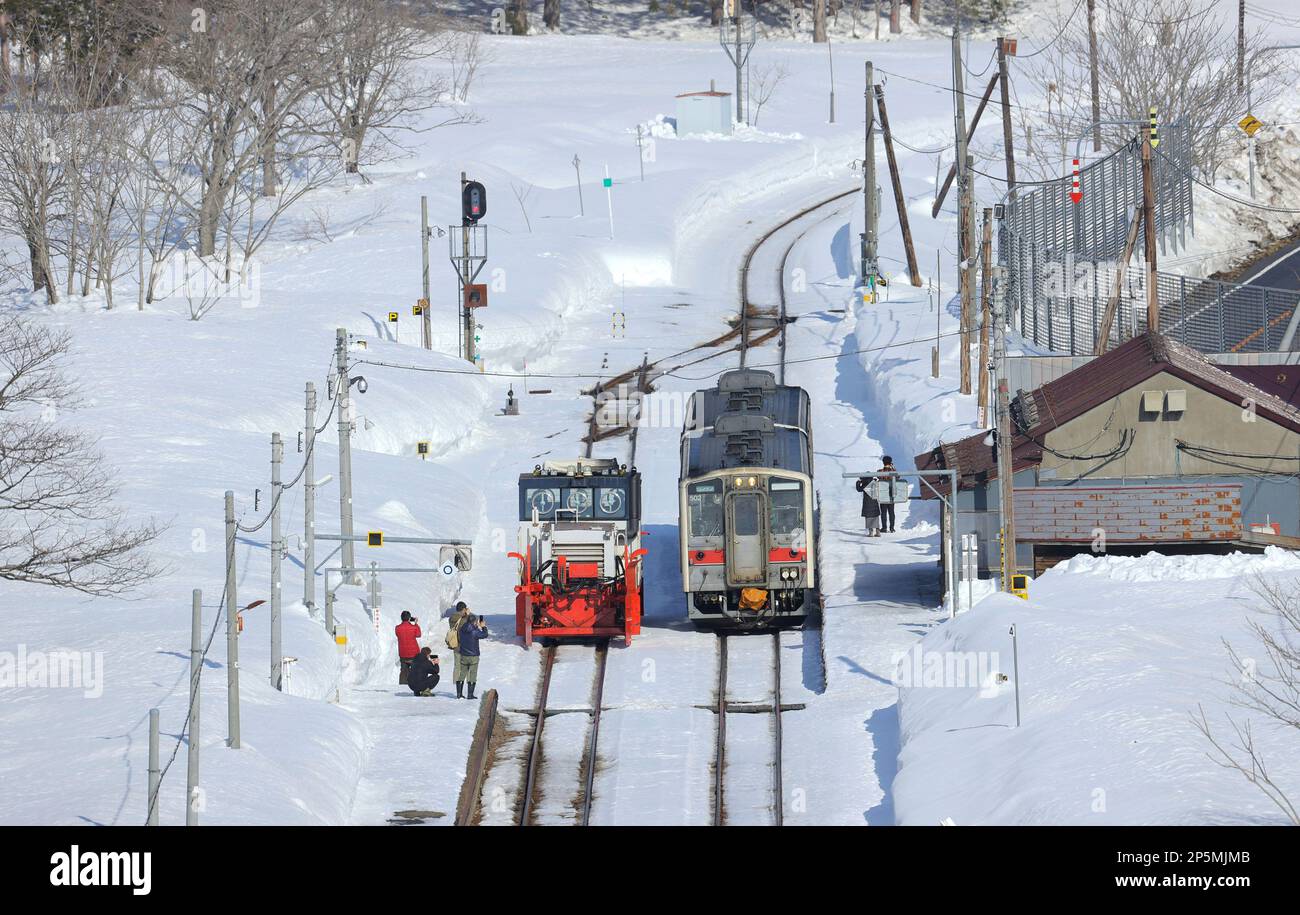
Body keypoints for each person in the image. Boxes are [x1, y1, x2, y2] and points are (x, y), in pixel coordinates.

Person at [455, 613, 489, 700]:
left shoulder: (462, 630)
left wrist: (476, 626)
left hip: (463, 655)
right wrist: (483, 627)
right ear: (474, 622)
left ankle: (459, 694)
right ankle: (470, 695)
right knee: (472, 674)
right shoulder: (475, 632)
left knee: (462, 673)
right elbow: (484, 635)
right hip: (473, 656)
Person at [395, 611, 422, 685]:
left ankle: (402, 685)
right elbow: (419, 634)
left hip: (403, 654)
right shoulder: (413, 627)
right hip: (414, 654)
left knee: (403, 671)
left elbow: (398, 634)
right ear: (409, 618)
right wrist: (415, 623)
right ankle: (415, 684)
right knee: (415, 670)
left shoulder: (397, 628)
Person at [879, 456, 898, 533]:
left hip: (883, 494)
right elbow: (898, 477)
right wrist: (893, 467)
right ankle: (892, 528)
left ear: (883, 462)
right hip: (891, 494)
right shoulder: (893, 471)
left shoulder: (880, 471)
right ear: (890, 462)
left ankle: (884, 528)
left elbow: (878, 476)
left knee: (883, 512)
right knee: (891, 512)